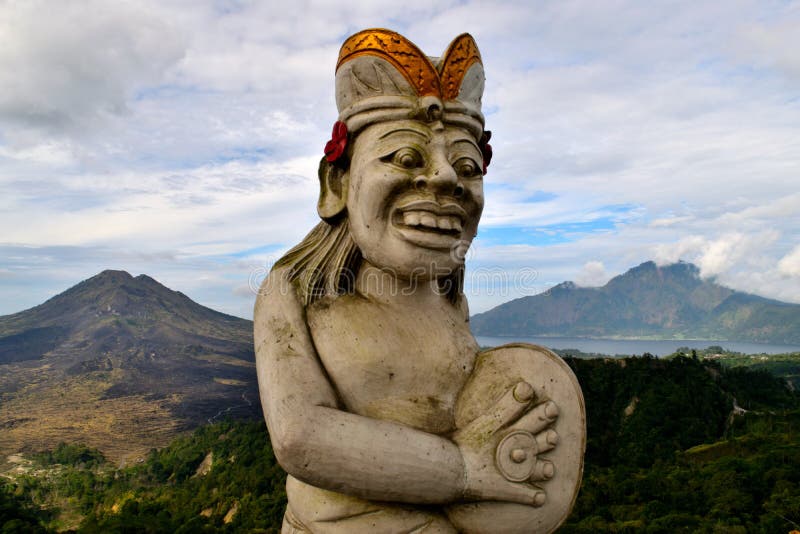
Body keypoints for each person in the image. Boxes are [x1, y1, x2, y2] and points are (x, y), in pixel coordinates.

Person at [254, 29, 579, 533]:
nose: (448, 179)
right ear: (337, 183)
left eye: (468, 167)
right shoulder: (292, 292)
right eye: (406, 158)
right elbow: (300, 435)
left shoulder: (450, 300)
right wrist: (463, 470)